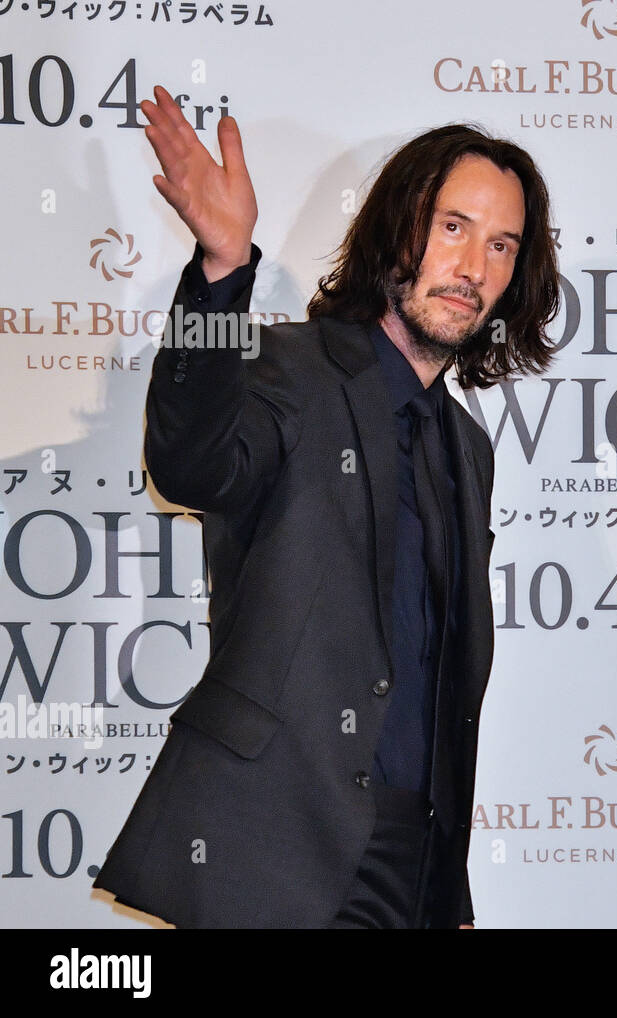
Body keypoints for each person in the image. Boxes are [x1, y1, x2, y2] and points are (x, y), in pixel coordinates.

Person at [92, 86, 560, 928]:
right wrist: (221, 274)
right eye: (453, 227)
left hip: (411, 870)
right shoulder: (287, 371)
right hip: (272, 851)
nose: (473, 268)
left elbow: (441, 677)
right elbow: (190, 465)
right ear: (399, 227)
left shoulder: (468, 448)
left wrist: (444, 890)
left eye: (501, 245)